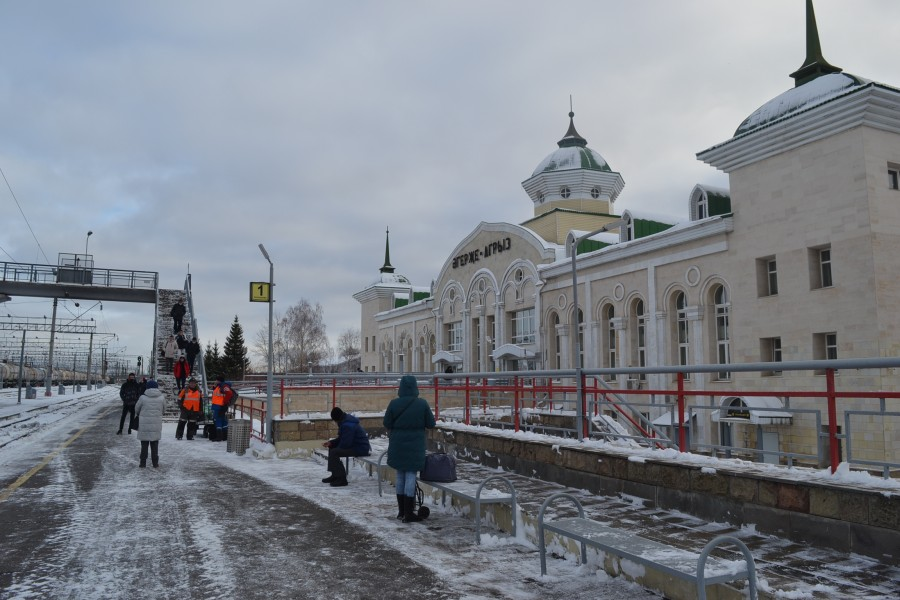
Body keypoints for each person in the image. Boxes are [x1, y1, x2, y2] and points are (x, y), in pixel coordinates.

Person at [383, 375, 435, 522]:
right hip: (415, 444)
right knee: (411, 474)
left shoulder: (393, 404)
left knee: (400, 474)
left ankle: (401, 511)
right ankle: (409, 513)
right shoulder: (422, 404)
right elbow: (431, 423)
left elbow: (386, 422)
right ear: (415, 387)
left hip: (397, 444)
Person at [321, 407, 371, 487]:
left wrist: (336, 448)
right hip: (356, 445)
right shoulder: (345, 421)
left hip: (360, 448)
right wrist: (331, 443)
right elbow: (342, 438)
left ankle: (341, 479)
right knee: (332, 448)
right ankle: (335, 475)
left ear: (336, 419)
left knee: (334, 452)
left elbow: (346, 444)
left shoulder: (348, 425)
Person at [134, 379, 165, 468]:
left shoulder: (142, 398)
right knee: (154, 445)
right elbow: (164, 410)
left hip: (144, 425)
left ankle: (142, 463)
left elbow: (136, 409)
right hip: (156, 425)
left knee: (144, 445)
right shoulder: (161, 398)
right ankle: (155, 463)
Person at [209, 376, 235, 442]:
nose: (215, 381)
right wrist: (214, 387)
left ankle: (219, 437)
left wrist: (225, 402)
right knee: (223, 420)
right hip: (218, 405)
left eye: (216, 380)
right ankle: (225, 436)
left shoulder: (223, 386)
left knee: (218, 420)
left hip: (219, 406)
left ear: (219, 381)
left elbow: (229, 393)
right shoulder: (219, 386)